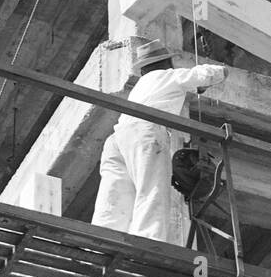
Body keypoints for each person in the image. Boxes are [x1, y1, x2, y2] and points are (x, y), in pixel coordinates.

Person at [93, 39, 227, 244]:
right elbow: (216, 72)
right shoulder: (169, 76)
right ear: (166, 63)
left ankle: (102, 241)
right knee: (152, 190)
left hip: (117, 139)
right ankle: (147, 242)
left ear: (144, 69)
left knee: (116, 195)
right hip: (145, 133)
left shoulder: (141, 86)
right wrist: (204, 79)